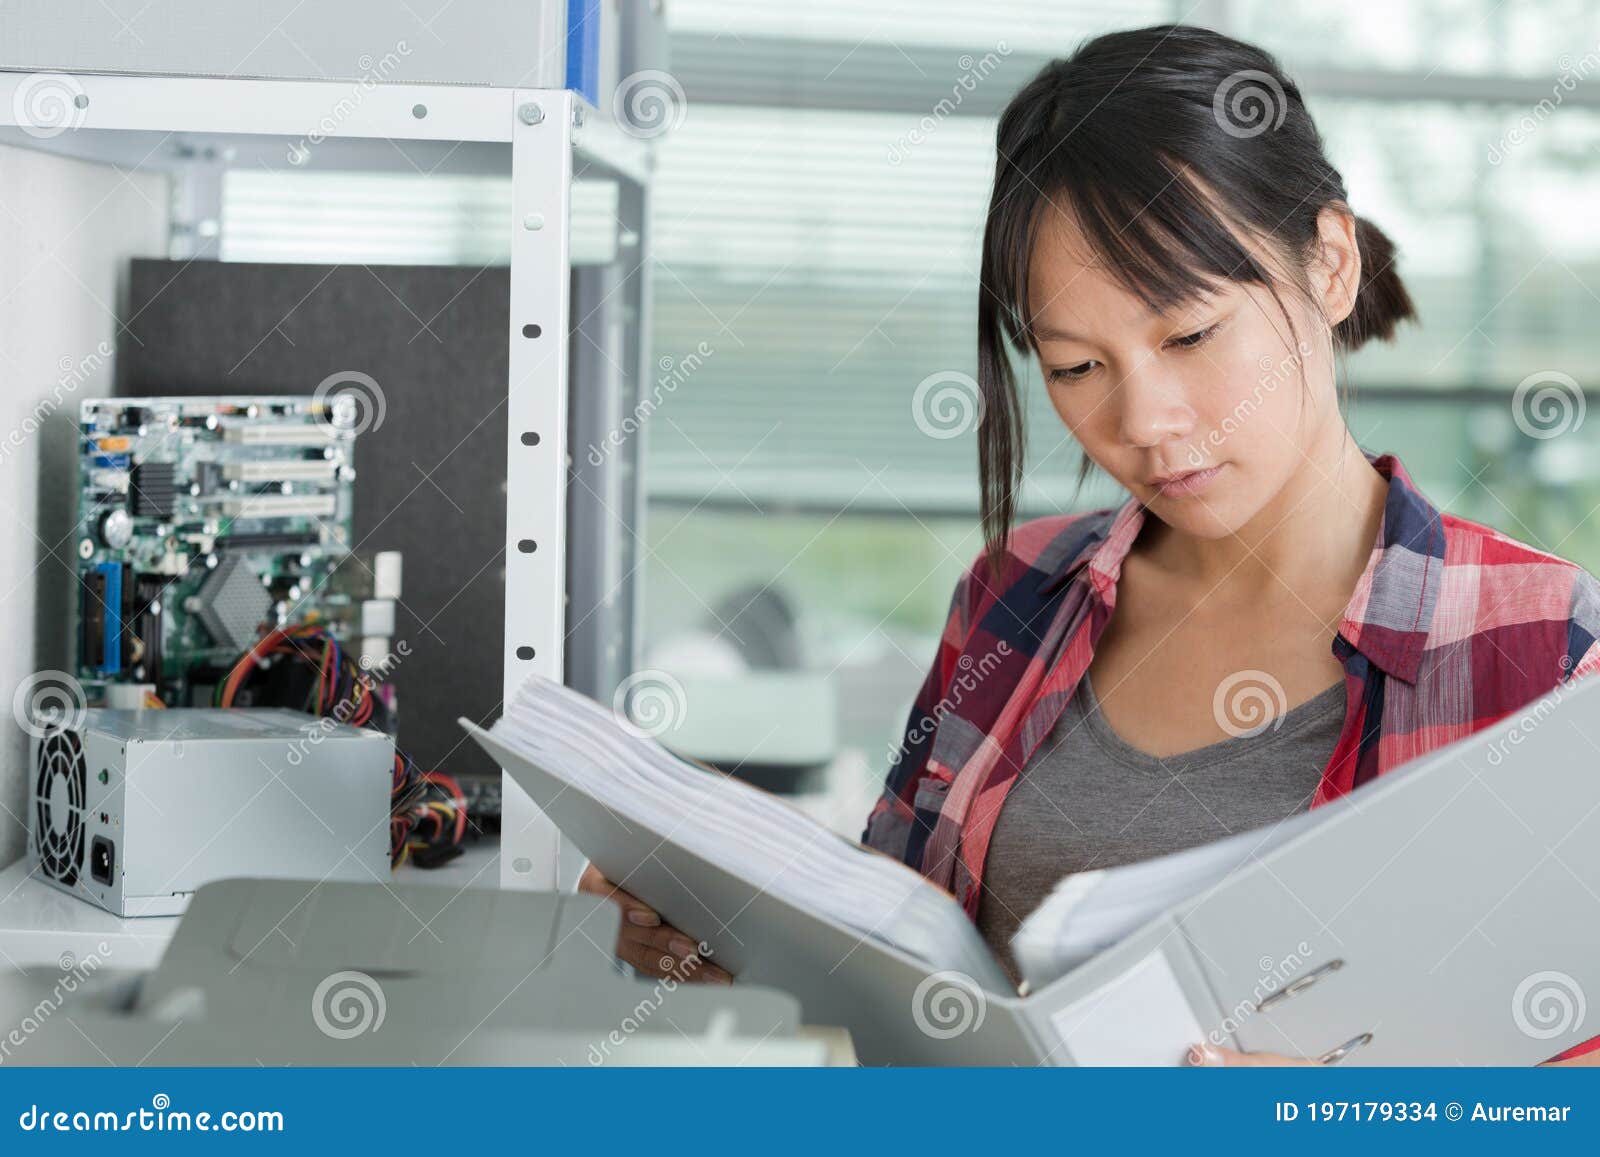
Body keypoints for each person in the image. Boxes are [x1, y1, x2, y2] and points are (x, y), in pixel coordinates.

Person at [583, 23, 1600, 1065]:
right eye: (1076, 368)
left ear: (1330, 264)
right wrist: (726, 931)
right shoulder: (1016, 590)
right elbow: (902, 947)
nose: (1145, 420)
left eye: (1190, 336)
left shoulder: (1550, 651)